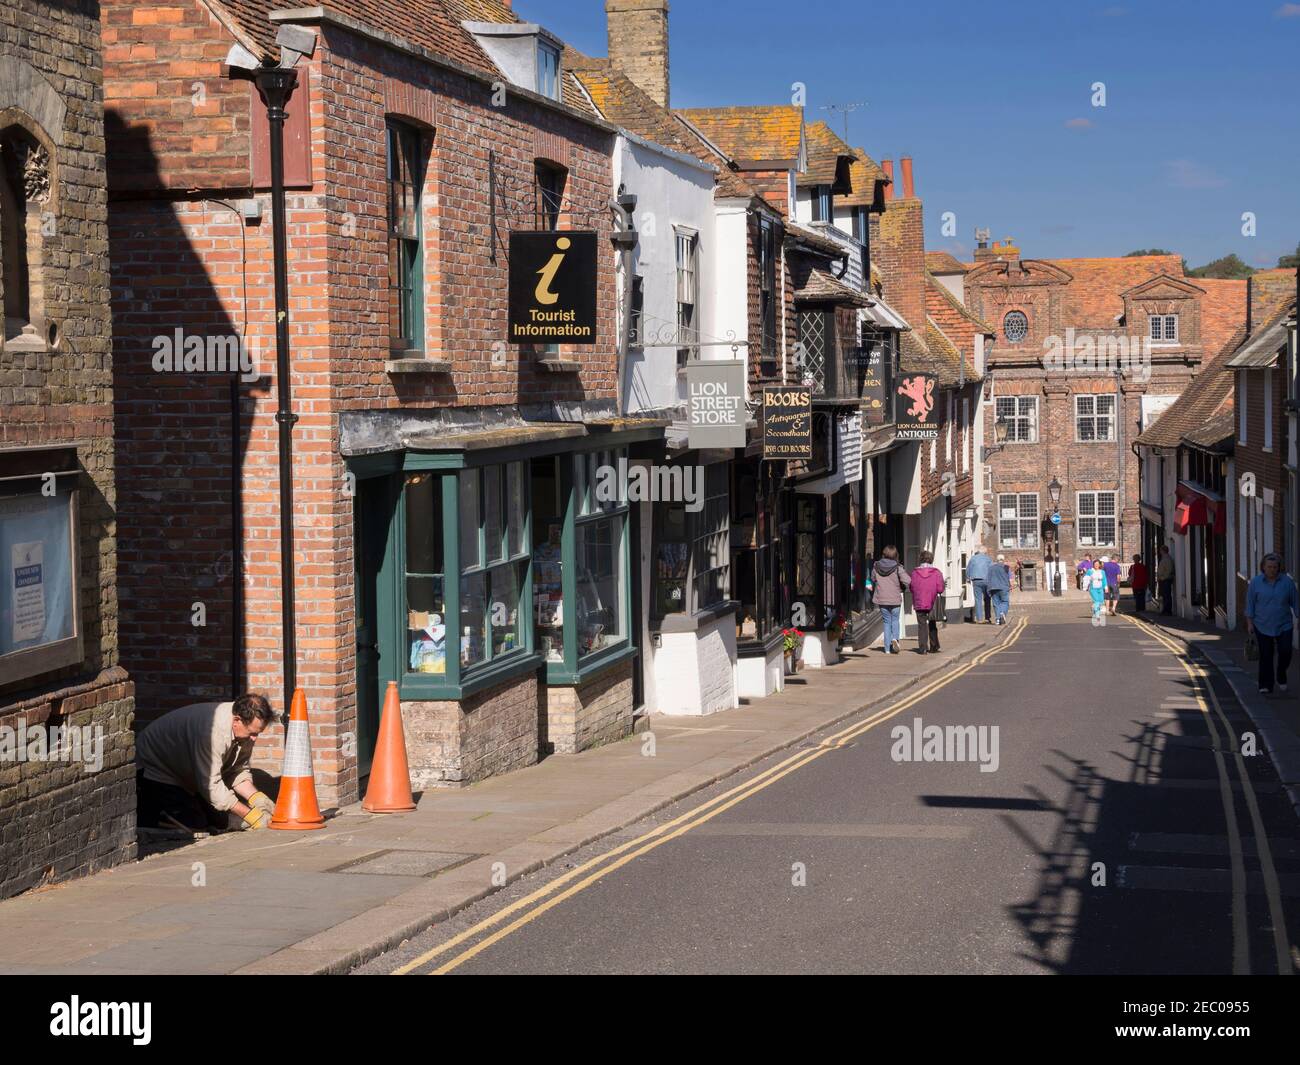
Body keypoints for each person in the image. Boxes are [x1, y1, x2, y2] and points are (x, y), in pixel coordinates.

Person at [136, 693, 278, 832]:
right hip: (156, 768)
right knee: (196, 823)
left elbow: (237, 770)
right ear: (237, 720)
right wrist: (251, 816)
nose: (254, 739)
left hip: (188, 771)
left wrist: (258, 798)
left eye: (258, 733)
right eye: (252, 733)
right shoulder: (212, 734)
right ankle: (151, 815)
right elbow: (210, 785)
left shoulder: (244, 731)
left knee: (219, 820)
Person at [1244, 553, 1298, 695]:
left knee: (1286, 651)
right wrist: (1250, 623)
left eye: (1275, 567)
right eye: (1269, 567)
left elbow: (1296, 602)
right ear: (1263, 567)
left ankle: (1281, 673)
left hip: (1284, 624)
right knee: (1266, 655)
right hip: (1262, 624)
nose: (1272, 570)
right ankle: (1266, 685)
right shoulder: (1255, 583)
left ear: (1279, 567)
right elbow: (1250, 604)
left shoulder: (1287, 582)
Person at [872, 545, 910, 653]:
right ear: (895, 555)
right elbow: (908, 581)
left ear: (884, 554)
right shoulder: (898, 567)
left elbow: (873, 578)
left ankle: (887, 649)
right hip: (895, 599)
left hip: (882, 599)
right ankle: (895, 638)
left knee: (886, 622)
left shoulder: (876, 566)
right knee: (895, 620)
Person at [910, 550, 946, 654]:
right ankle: (934, 646)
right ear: (931, 560)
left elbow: (912, 588)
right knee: (932, 623)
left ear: (920, 559)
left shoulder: (914, 572)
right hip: (932, 602)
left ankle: (923, 648)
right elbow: (940, 589)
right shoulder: (937, 572)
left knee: (922, 625)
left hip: (919, 602)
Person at [967, 545, 992, 623]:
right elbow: (991, 570)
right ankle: (987, 618)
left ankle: (979, 619)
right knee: (987, 599)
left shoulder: (973, 558)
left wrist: (968, 578)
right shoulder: (988, 559)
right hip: (986, 580)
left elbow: (968, 569)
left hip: (976, 580)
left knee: (978, 599)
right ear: (985, 552)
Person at [986, 553, 1012, 625]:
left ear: (997, 560)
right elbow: (1010, 579)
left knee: (996, 603)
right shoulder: (1006, 567)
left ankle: (997, 619)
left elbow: (988, 579)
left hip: (993, 588)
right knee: (1005, 602)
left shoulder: (991, 568)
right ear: (1003, 560)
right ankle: (1002, 613)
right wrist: (1011, 586)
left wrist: (988, 589)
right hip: (1004, 587)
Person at [1155, 545, 1175, 616]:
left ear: (1163, 551)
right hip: (1163, 579)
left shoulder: (1167, 559)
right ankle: (1165, 609)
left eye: (1160, 550)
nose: (1160, 552)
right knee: (1164, 595)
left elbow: (1169, 570)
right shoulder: (1164, 558)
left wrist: (1163, 577)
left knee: (1167, 595)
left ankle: (1167, 611)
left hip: (1166, 580)